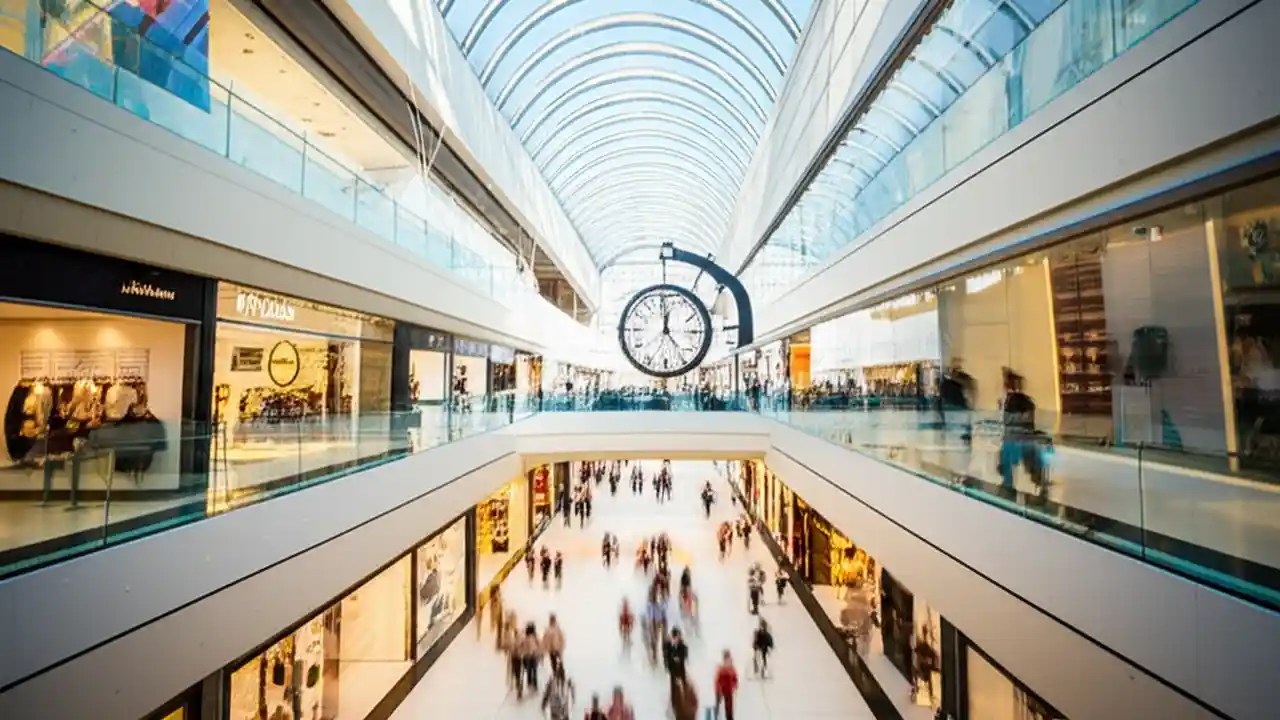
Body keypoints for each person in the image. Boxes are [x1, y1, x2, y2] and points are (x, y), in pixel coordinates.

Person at [662, 627, 689, 698]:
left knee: (683, 680)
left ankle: (685, 695)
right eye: (676, 637)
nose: (677, 639)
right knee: (673, 683)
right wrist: (667, 666)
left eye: (678, 637)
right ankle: (673, 698)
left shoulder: (683, 646)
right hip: (672, 667)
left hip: (680, 667)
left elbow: (685, 655)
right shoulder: (667, 645)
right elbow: (665, 657)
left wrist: (679, 659)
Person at [714, 650, 740, 720]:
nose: (727, 659)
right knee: (719, 708)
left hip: (728, 691)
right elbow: (717, 680)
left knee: (729, 709)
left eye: (728, 657)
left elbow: (735, 679)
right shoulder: (721, 668)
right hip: (721, 690)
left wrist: (734, 686)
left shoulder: (731, 667)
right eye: (726, 657)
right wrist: (719, 690)